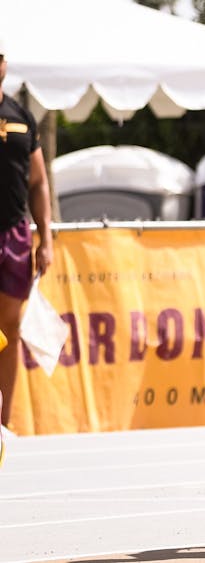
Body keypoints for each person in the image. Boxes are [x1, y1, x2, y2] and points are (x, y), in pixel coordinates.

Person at [0, 36, 55, 465]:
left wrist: (46, 238)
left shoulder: (21, 116)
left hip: (15, 234)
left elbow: (38, 183)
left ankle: (6, 421)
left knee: (10, 331)